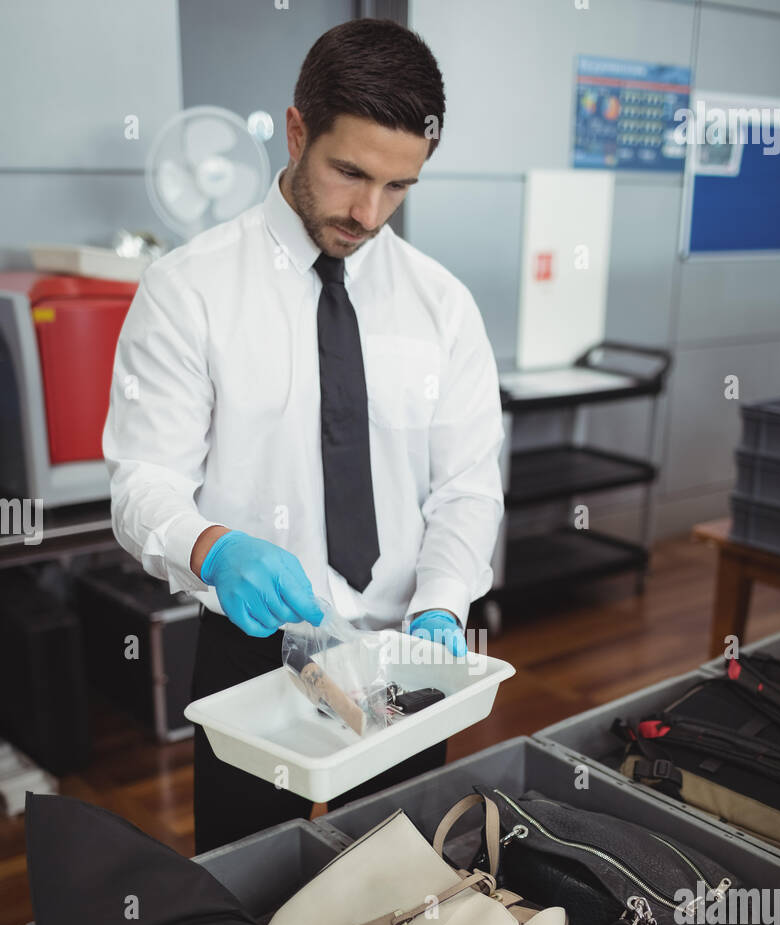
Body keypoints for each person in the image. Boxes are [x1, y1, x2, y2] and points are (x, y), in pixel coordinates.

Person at [103, 18, 504, 854]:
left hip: (407, 650)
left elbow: (467, 484)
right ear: (295, 131)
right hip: (252, 656)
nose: (368, 212)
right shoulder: (190, 292)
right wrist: (212, 547)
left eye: (399, 188)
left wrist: (442, 605)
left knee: (403, 880)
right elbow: (143, 481)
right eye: (349, 172)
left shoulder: (442, 305)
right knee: (251, 883)